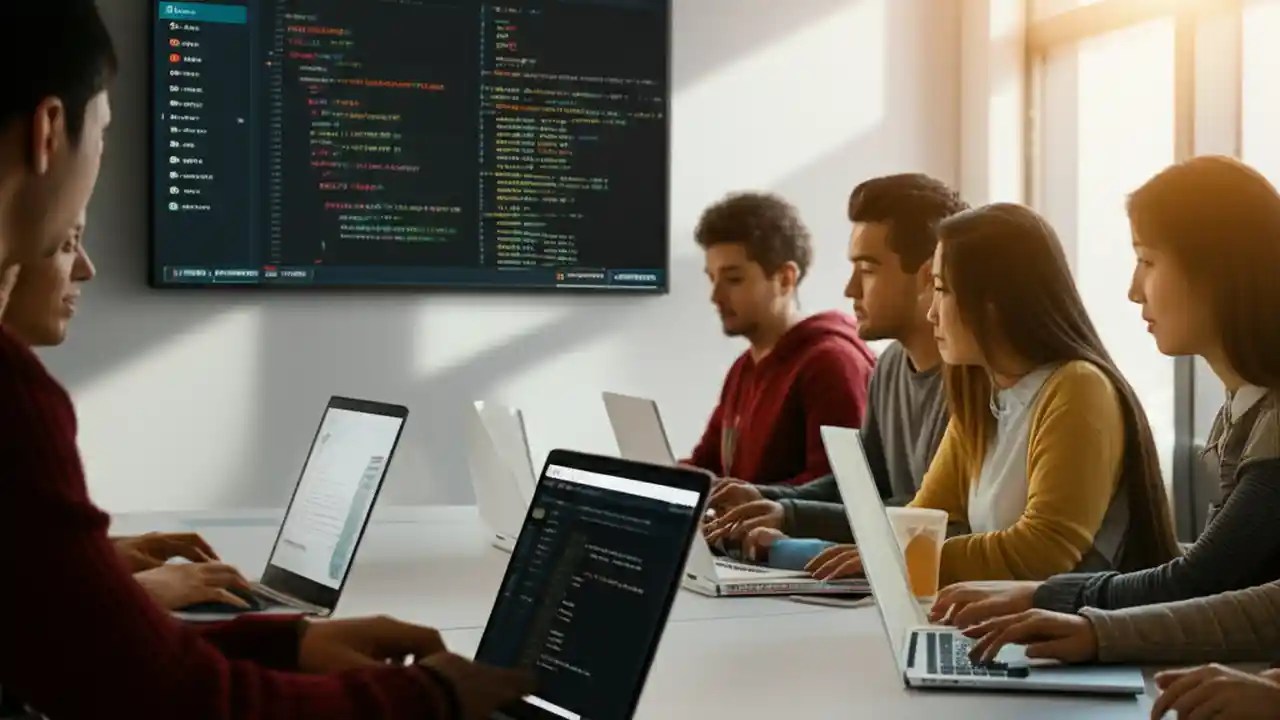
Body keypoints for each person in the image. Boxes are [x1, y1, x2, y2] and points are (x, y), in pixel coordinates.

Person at [0, 4, 530, 719]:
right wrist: (427, 694)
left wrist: (292, 646)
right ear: (49, 131)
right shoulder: (12, 398)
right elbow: (162, 700)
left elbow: (76, 653)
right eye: (103, 133)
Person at [927, 157, 1280, 670]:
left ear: (1217, 270)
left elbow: (1204, 581)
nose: (1134, 290)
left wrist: (1052, 598)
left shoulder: (1268, 421)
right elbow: (1215, 571)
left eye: (1148, 261)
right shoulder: (1241, 412)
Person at [799, 203, 1181, 585]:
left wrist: (898, 557)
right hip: (1007, 625)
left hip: (1077, 633)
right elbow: (927, 516)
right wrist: (877, 552)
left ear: (994, 302)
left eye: (942, 290)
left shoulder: (1078, 387)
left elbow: (1044, 550)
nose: (931, 312)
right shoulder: (982, 389)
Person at [1, 212, 259, 610]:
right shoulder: (24, 402)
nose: (87, 269)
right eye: (68, 243)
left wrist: (97, 556)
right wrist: (139, 594)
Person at [702, 174, 963, 564]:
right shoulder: (891, 364)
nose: (850, 289)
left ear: (928, 277)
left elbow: (935, 517)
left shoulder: (971, 380)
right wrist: (766, 498)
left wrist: (789, 514)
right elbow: (862, 484)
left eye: (868, 269)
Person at [683, 192, 875, 490]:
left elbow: (838, 488)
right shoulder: (744, 368)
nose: (716, 297)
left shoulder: (830, 364)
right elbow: (707, 467)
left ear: (785, 278)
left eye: (733, 279)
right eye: (712, 279)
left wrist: (747, 502)